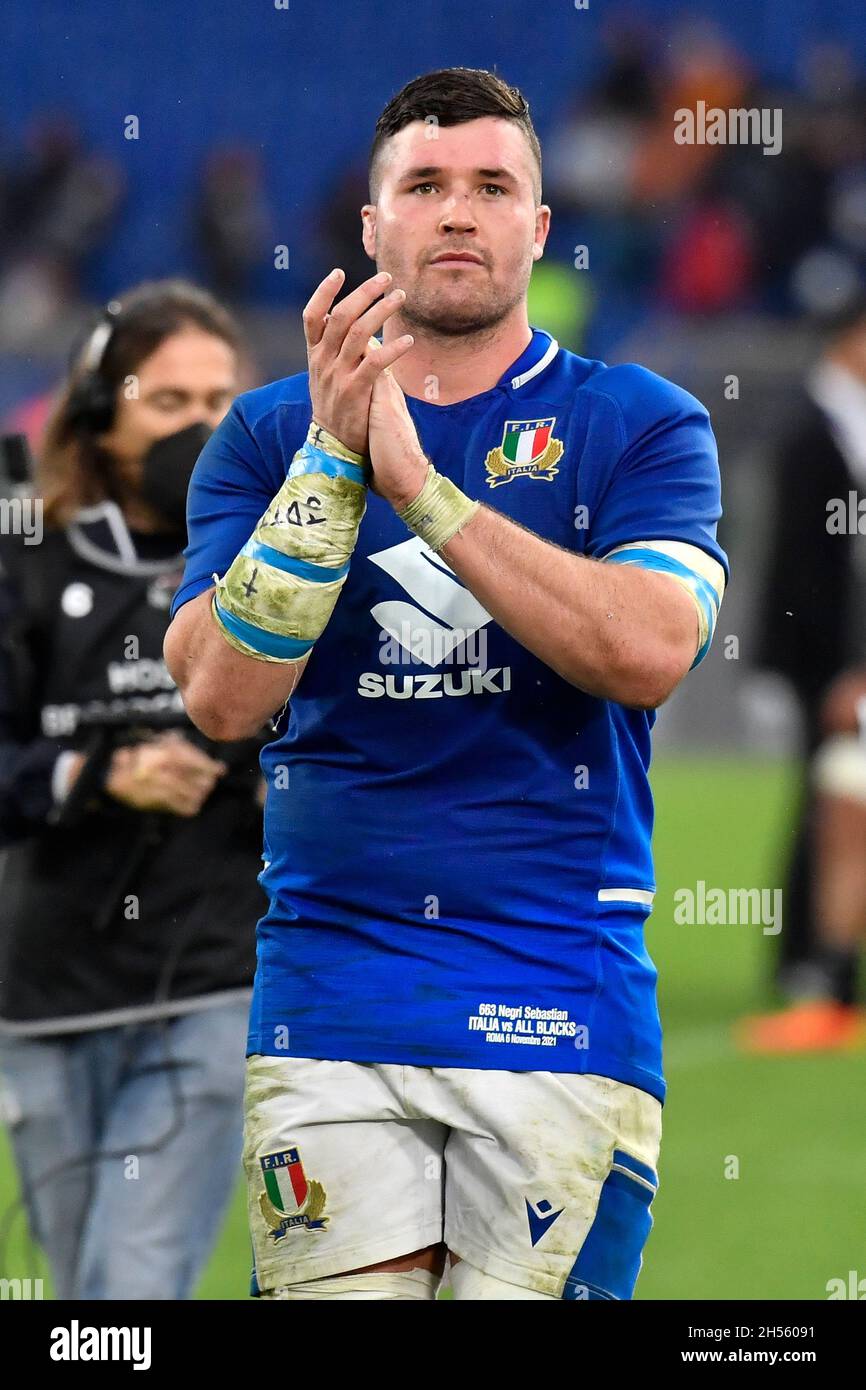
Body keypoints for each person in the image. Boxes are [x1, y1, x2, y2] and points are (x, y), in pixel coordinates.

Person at [165, 68, 728, 1302]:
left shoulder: (640, 422)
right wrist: (333, 462)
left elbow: (646, 651)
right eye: (423, 186)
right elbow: (217, 696)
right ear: (371, 226)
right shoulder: (263, 439)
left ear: (538, 225)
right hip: (331, 998)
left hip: (559, 1001)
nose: (456, 212)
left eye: (492, 187)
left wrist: (426, 492)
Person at [0, 280, 266, 1299]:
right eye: (168, 404)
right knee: (81, 1297)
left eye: (217, 405)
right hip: (48, 993)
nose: (199, 430)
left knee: (131, 1286)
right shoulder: (25, 562)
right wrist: (99, 773)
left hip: (208, 982)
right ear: (100, 418)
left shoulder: (280, 567)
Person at [741, 293, 866, 1052]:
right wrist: (831, 671)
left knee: (835, 804)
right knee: (830, 806)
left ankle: (824, 968)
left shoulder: (840, 423)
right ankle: (813, 970)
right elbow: (802, 570)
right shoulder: (811, 431)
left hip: (838, 661)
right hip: (823, 662)